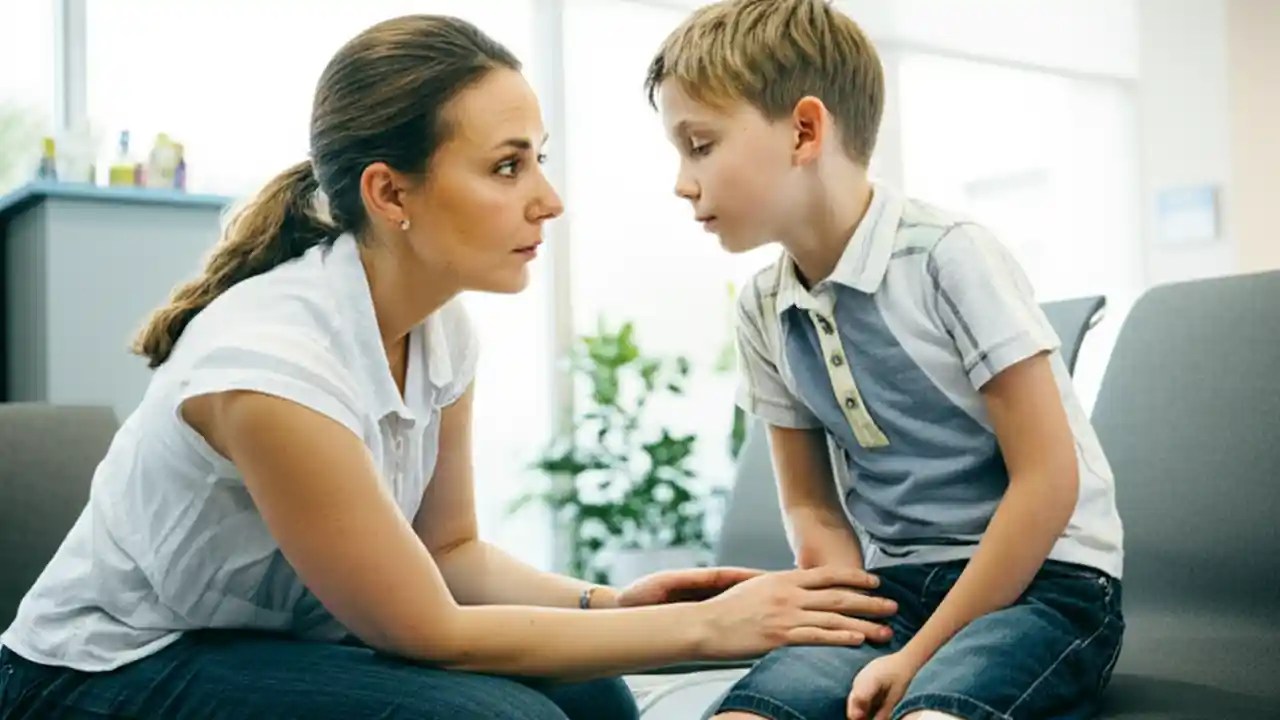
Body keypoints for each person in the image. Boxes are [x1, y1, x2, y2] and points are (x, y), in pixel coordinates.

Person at [0, 15, 898, 720]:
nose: (547, 199)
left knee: (591, 692)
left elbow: (448, 553)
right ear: (390, 193)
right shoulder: (270, 369)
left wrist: (613, 605)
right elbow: (426, 628)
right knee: (502, 715)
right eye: (507, 167)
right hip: (98, 671)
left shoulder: (439, 327)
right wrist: (705, 630)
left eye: (538, 159)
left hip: (241, 641)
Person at [644, 1, 1126, 719]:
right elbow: (808, 501)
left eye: (701, 145)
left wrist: (917, 653)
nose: (682, 182)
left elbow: (1049, 481)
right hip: (893, 588)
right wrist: (847, 621)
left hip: (1047, 583)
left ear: (804, 131)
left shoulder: (948, 256)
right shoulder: (761, 307)